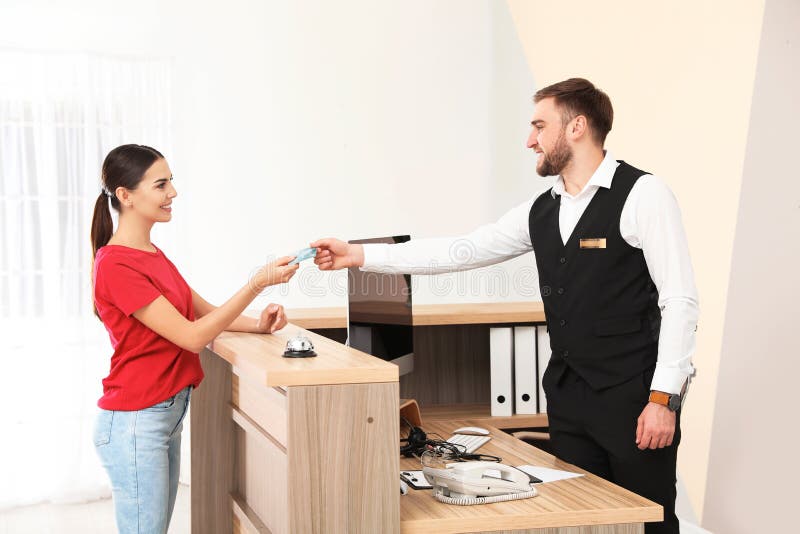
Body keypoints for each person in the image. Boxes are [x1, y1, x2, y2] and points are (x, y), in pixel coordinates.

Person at [311, 78, 698, 534]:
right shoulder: (542, 209)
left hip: (634, 399)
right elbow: (463, 250)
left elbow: (680, 300)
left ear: (576, 126)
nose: (529, 139)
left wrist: (663, 399)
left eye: (539, 126)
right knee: (581, 521)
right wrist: (360, 255)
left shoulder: (643, 195)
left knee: (650, 522)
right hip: (570, 398)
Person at [89, 144, 298, 533]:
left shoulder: (151, 253)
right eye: (161, 184)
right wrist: (256, 284)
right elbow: (190, 337)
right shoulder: (116, 264)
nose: (173, 193)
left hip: (162, 414)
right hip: (137, 420)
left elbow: (199, 310)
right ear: (125, 195)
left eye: (172, 182)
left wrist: (259, 324)